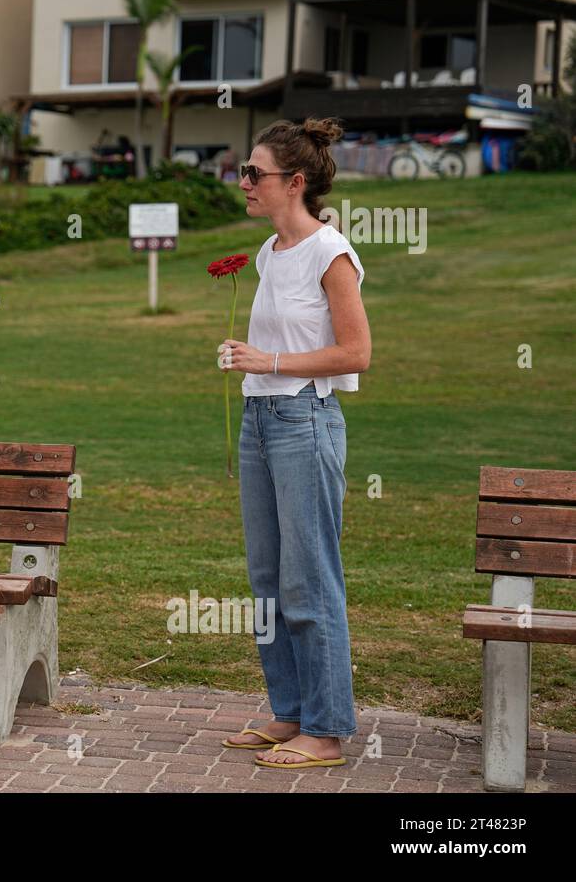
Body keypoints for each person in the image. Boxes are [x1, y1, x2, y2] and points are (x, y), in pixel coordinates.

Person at [218, 117, 371, 770]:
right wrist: (250, 362)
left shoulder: (329, 252)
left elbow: (355, 352)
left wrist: (268, 360)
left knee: (310, 580)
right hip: (259, 423)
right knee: (268, 580)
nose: (244, 182)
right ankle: (290, 713)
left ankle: (328, 731)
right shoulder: (268, 253)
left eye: (255, 173)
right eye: (244, 171)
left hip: (305, 421)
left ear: (295, 182)